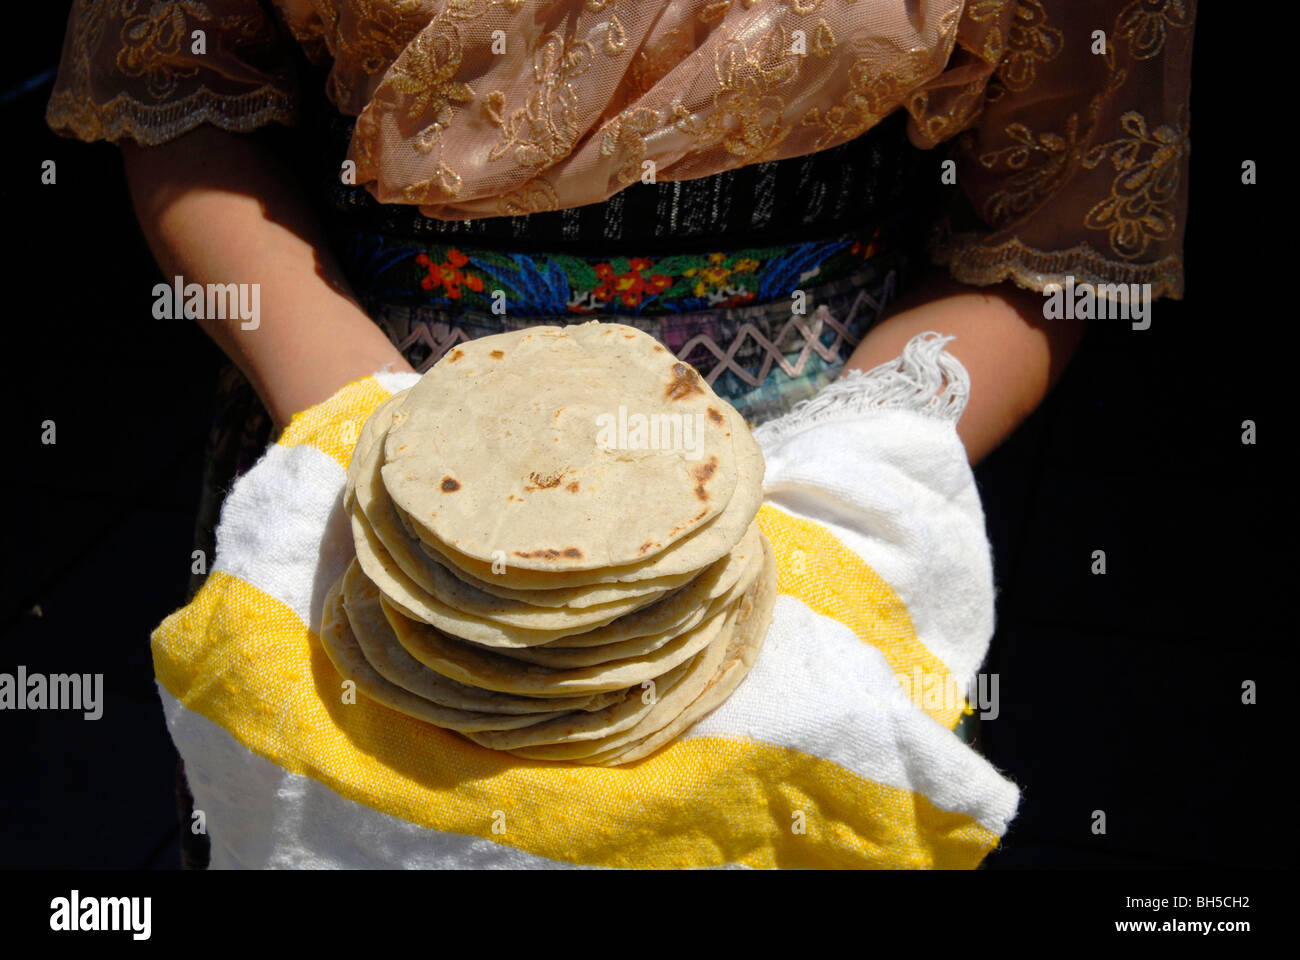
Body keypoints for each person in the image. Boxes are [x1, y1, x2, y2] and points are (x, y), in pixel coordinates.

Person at [46, 0, 1193, 866]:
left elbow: (1065, 222)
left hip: (808, 473)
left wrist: (817, 520)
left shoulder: (825, 521)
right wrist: (374, 438)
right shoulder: (363, 445)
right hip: (364, 444)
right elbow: (180, 87)